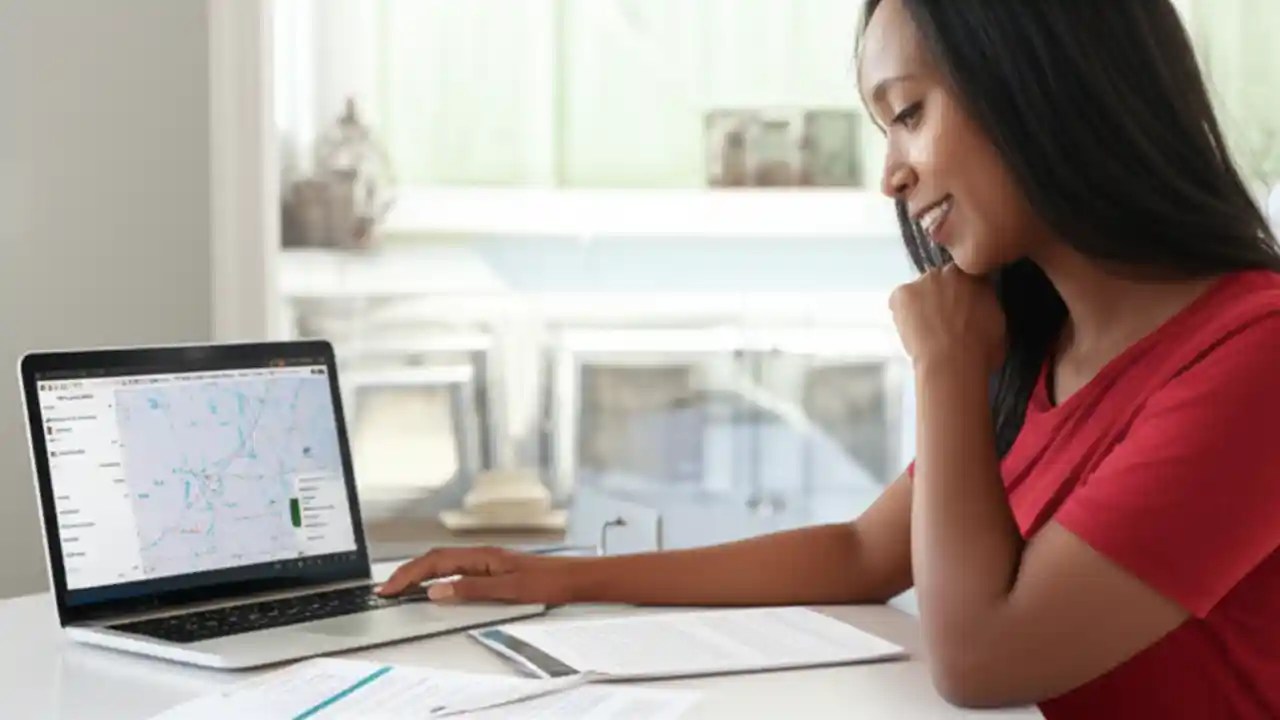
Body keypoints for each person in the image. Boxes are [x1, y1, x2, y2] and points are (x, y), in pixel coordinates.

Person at [380, 1, 1280, 716]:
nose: (891, 173)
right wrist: (561, 577)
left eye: (910, 113)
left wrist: (946, 370)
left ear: (1041, 82)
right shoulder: (1050, 348)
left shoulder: (1254, 356)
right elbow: (861, 552)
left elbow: (985, 659)